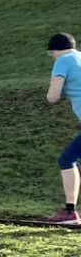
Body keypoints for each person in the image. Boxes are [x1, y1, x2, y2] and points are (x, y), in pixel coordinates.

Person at [46, 32, 81, 225]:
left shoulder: (62, 61)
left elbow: (53, 96)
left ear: (54, 51)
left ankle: (70, 212)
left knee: (67, 160)